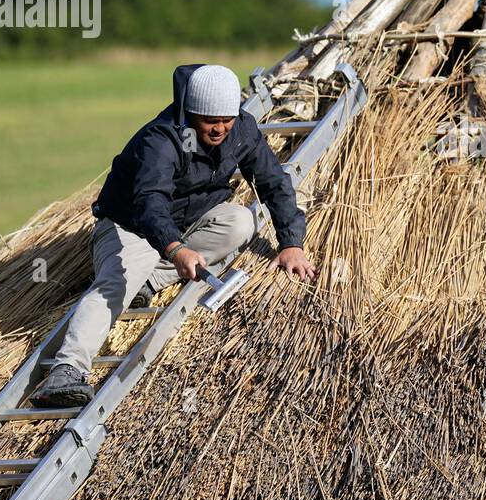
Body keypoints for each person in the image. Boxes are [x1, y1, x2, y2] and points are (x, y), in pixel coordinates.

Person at [31, 63, 316, 406]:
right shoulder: (162, 138)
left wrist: (291, 243)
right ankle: (67, 370)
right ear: (192, 111)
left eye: (227, 118)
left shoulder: (241, 128)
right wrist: (175, 248)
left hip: (191, 219)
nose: (221, 128)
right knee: (115, 284)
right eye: (212, 120)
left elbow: (273, 182)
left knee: (241, 221)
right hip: (131, 226)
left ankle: (149, 282)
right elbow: (149, 203)